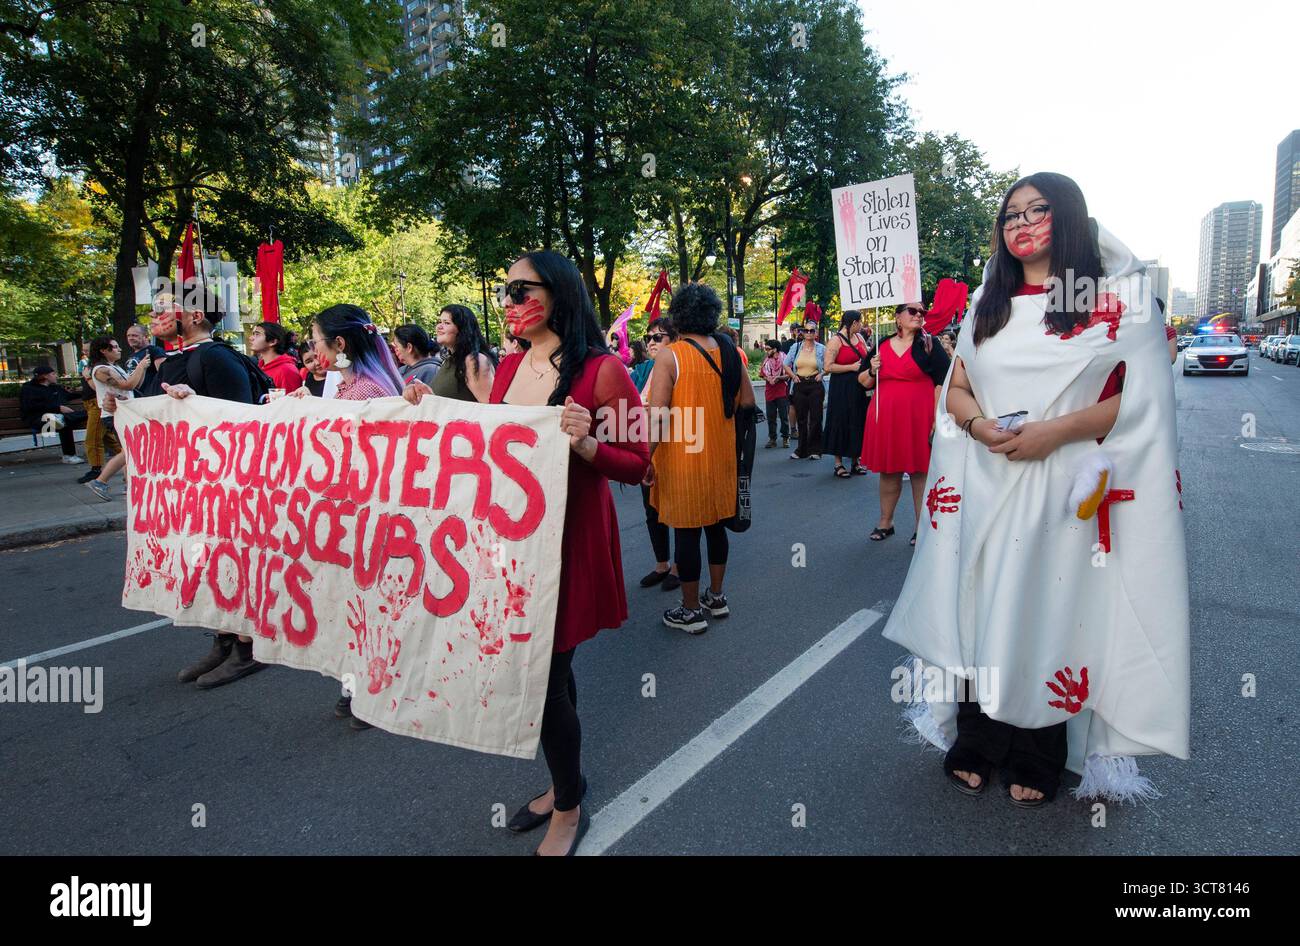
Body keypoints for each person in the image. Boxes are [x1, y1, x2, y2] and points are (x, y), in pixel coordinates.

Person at [884, 171, 1190, 808]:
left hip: (1062, 492)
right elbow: (958, 386)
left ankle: (1039, 750)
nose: (1021, 224)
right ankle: (977, 737)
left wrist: (1055, 433)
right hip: (984, 480)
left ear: (1070, 218)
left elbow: (1142, 403)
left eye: (1037, 211)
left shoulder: (1115, 304)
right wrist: (977, 424)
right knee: (979, 606)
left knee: (1048, 612)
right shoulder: (983, 305)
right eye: (1011, 214)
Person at [407, 249, 647, 856]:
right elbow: (491, 442)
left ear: (558, 293)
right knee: (550, 675)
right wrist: (427, 410)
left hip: (569, 545)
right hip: (512, 550)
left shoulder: (604, 370)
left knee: (542, 679)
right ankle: (567, 781)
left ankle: (568, 807)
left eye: (521, 289)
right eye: (505, 289)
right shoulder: (511, 368)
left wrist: (589, 444)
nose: (509, 302)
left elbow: (641, 463)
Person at [153, 286, 264, 689]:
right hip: (189, 486)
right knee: (202, 565)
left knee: (230, 563)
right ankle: (223, 640)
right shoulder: (172, 361)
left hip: (225, 486)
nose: (155, 316)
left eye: (165, 309)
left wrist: (195, 402)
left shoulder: (216, 357)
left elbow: (241, 420)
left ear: (195, 314)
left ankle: (248, 648)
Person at [648, 282, 755, 635]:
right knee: (716, 527)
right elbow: (749, 405)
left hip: (683, 460)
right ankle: (717, 597)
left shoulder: (670, 355)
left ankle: (691, 611)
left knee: (687, 533)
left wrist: (644, 458)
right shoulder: (729, 351)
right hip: (722, 456)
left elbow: (658, 415)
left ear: (678, 315)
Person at [859, 303, 950, 544]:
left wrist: (936, 416)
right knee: (889, 471)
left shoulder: (929, 344)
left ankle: (922, 529)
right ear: (898, 317)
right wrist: (871, 369)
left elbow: (943, 380)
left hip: (919, 417)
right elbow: (863, 381)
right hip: (886, 418)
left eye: (922, 312)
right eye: (913, 311)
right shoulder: (881, 346)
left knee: (920, 472)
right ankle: (885, 522)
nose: (919, 315)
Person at [635, 316, 679, 592]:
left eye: (658, 337)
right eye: (648, 337)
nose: (651, 342)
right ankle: (661, 563)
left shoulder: (677, 366)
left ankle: (679, 566)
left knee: (676, 509)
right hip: (644, 442)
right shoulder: (644, 369)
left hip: (673, 445)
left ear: (673, 340)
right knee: (651, 509)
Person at [82, 335, 152, 501]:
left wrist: (141, 370)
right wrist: (141, 367)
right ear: (104, 351)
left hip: (123, 412)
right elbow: (127, 385)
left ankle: (130, 485)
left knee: (130, 451)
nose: (119, 349)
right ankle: (100, 481)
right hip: (114, 414)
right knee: (129, 450)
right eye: (114, 347)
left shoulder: (112, 367)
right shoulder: (101, 370)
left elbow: (134, 385)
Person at [822, 310, 873, 477]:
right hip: (841, 388)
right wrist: (850, 367)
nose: (862, 325)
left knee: (858, 421)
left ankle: (855, 460)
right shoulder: (835, 341)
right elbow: (828, 367)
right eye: (860, 322)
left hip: (859, 386)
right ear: (853, 323)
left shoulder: (859, 338)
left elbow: (865, 356)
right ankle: (838, 463)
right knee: (840, 420)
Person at [413, 304, 496, 402]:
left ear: (462, 330)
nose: (439, 326)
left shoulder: (473, 360)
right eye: (439, 322)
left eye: (447, 323)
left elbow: (490, 406)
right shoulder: (449, 360)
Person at [18, 366, 87, 465]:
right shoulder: (28, 389)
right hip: (37, 419)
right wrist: (58, 408)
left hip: (57, 417)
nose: (56, 376)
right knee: (64, 423)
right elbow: (31, 406)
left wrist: (84, 391)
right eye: (53, 374)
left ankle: (74, 417)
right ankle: (68, 456)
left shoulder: (54, 387)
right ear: (45, 376)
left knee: (71, 419)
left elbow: (67, 396)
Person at [783, 322, 825, 460]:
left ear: (816, 333)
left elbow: (830, 364)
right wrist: (793, 376)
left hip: (815, 384)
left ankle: (815, 450)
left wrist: (822, 374)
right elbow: (786, 364)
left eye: (811, 331)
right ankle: (802, 449)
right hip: (799, 384)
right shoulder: (796, 347)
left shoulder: (821, 348)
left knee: (816, 418)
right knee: (801, 418)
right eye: (806, 330)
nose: (808, 333)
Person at [248, 321, 302, 393]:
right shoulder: (260, 367)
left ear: (273, 341)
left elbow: (291, 402)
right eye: (253, 334)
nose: (251, 338)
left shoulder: (287, 371)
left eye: (257, 334)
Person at [759, 338, 790, 447]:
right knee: (771, 417)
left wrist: (779, 378)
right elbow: (762, 374)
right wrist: (768, 379)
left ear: (775, 349)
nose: (766, 351)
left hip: (781, 391)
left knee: (783, 416)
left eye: (768, 349)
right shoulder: (766, 359)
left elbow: (789, 374)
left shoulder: (785, 358)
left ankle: (786, 437)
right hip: (770, 392)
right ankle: (772, 439)